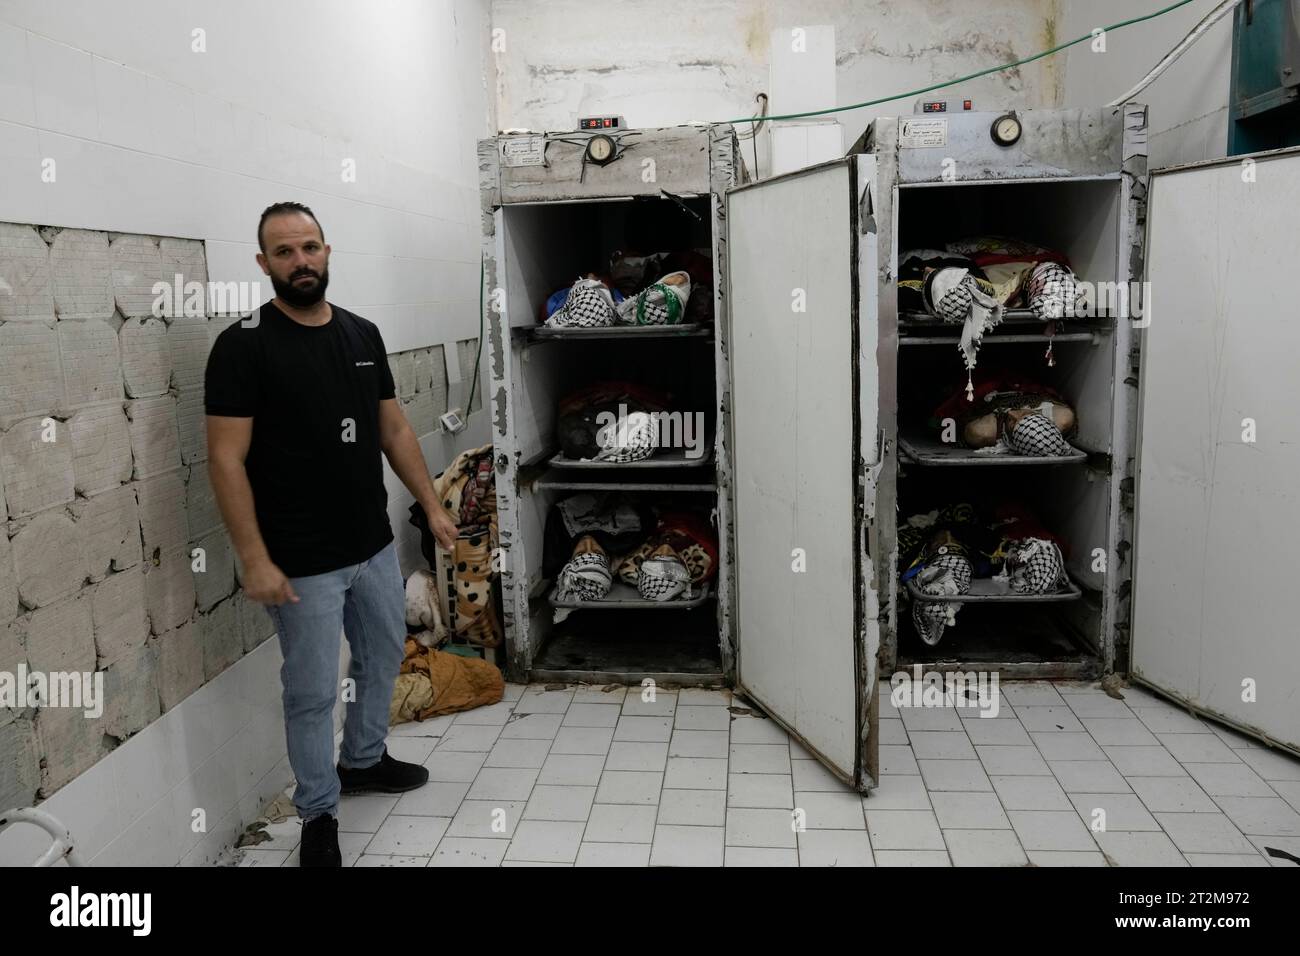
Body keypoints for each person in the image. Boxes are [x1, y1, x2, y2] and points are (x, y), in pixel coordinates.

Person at [204, 201, 461, 867]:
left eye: (310, 247)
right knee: (313, 692)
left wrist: (431, 504)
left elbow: (393, 429)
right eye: (284, 252)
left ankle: (364, 760)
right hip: (300, 560)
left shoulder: (361, 334)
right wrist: (254, 558)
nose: (301, 261)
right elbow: (226, 460)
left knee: (383, 655)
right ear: (264, 263)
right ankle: (318, 812)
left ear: (326, 251)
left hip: (370, 543)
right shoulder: (243, 346)